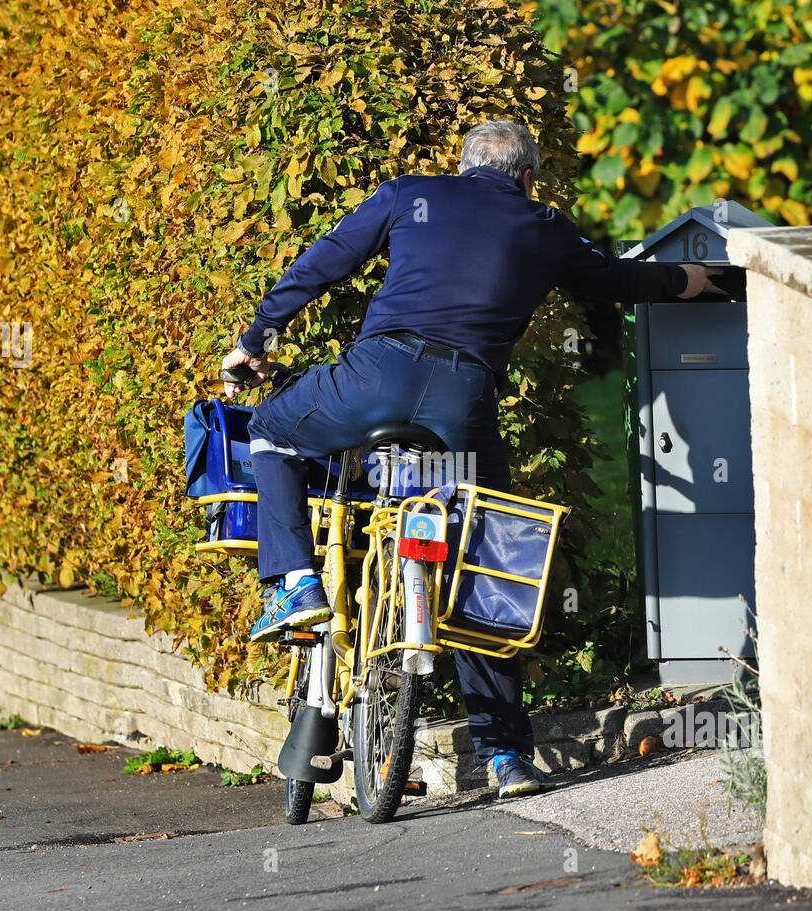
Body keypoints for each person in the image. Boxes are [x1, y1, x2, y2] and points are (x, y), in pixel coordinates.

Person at [219, 120, 723, 798]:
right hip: (462, 405)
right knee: (483, 553)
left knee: (272, 432)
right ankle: (507, 756)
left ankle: (296, 583)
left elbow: (324, 263)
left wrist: (257, 339)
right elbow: (617, 280)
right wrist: (702, 279)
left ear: (462, 166)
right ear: (527, 177)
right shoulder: (544, 226)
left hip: (374, 379)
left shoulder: (408, 194)